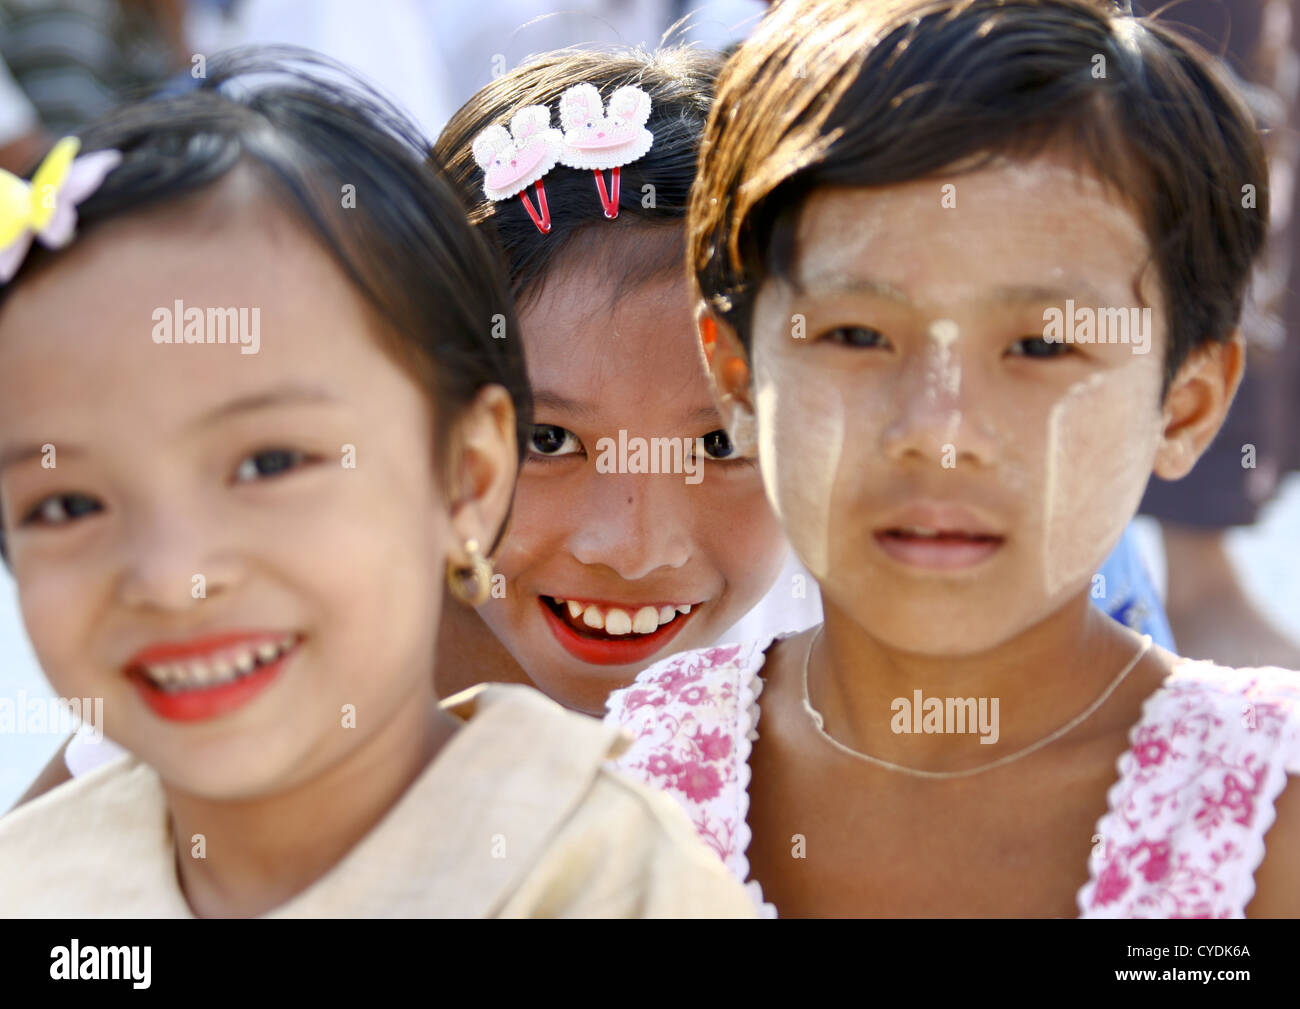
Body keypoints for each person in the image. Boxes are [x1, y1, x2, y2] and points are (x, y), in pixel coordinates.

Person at [0, 50, 755, 918]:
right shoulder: (92, 828)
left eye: (271, 465)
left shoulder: (627, 873)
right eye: (67, 504)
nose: (630, 543)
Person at [606, 0, 1300, 917]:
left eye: (1043, 347)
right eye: (857, 333)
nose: (939, 429)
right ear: (737, 372)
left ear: (1187, 405)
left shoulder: (1269, 810)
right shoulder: (630, 787)